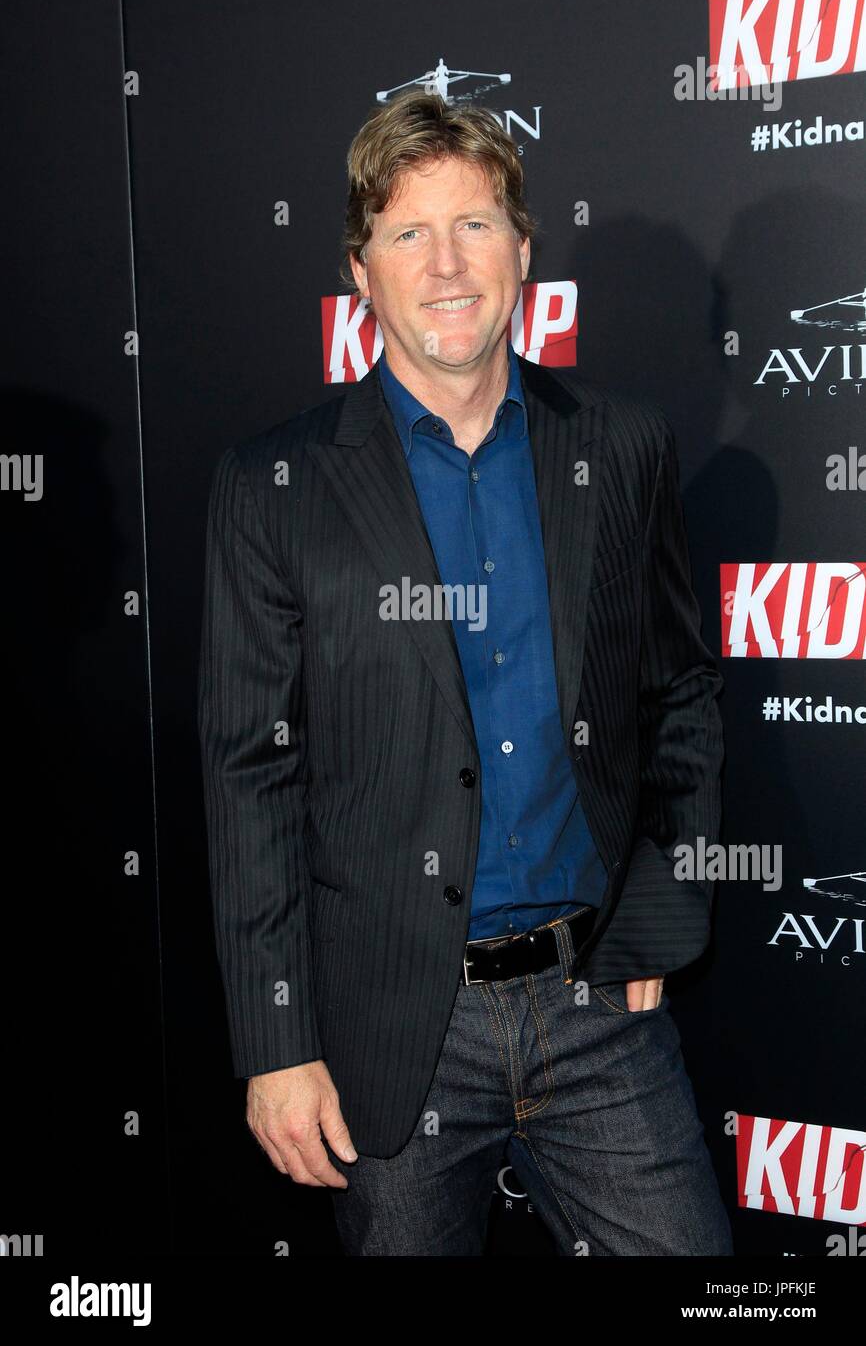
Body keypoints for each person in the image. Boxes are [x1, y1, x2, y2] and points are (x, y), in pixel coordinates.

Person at [197, 89, 733, 1256]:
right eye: (407, 233)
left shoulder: (618, 443)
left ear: (523, 249)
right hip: (394, 1031)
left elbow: (681, 690)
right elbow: (250, 780)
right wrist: (275, 1042)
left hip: (597, 1006)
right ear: (360, 270)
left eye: (475, 225)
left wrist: (658, 905)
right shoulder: (273, 487)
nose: (446, 264)